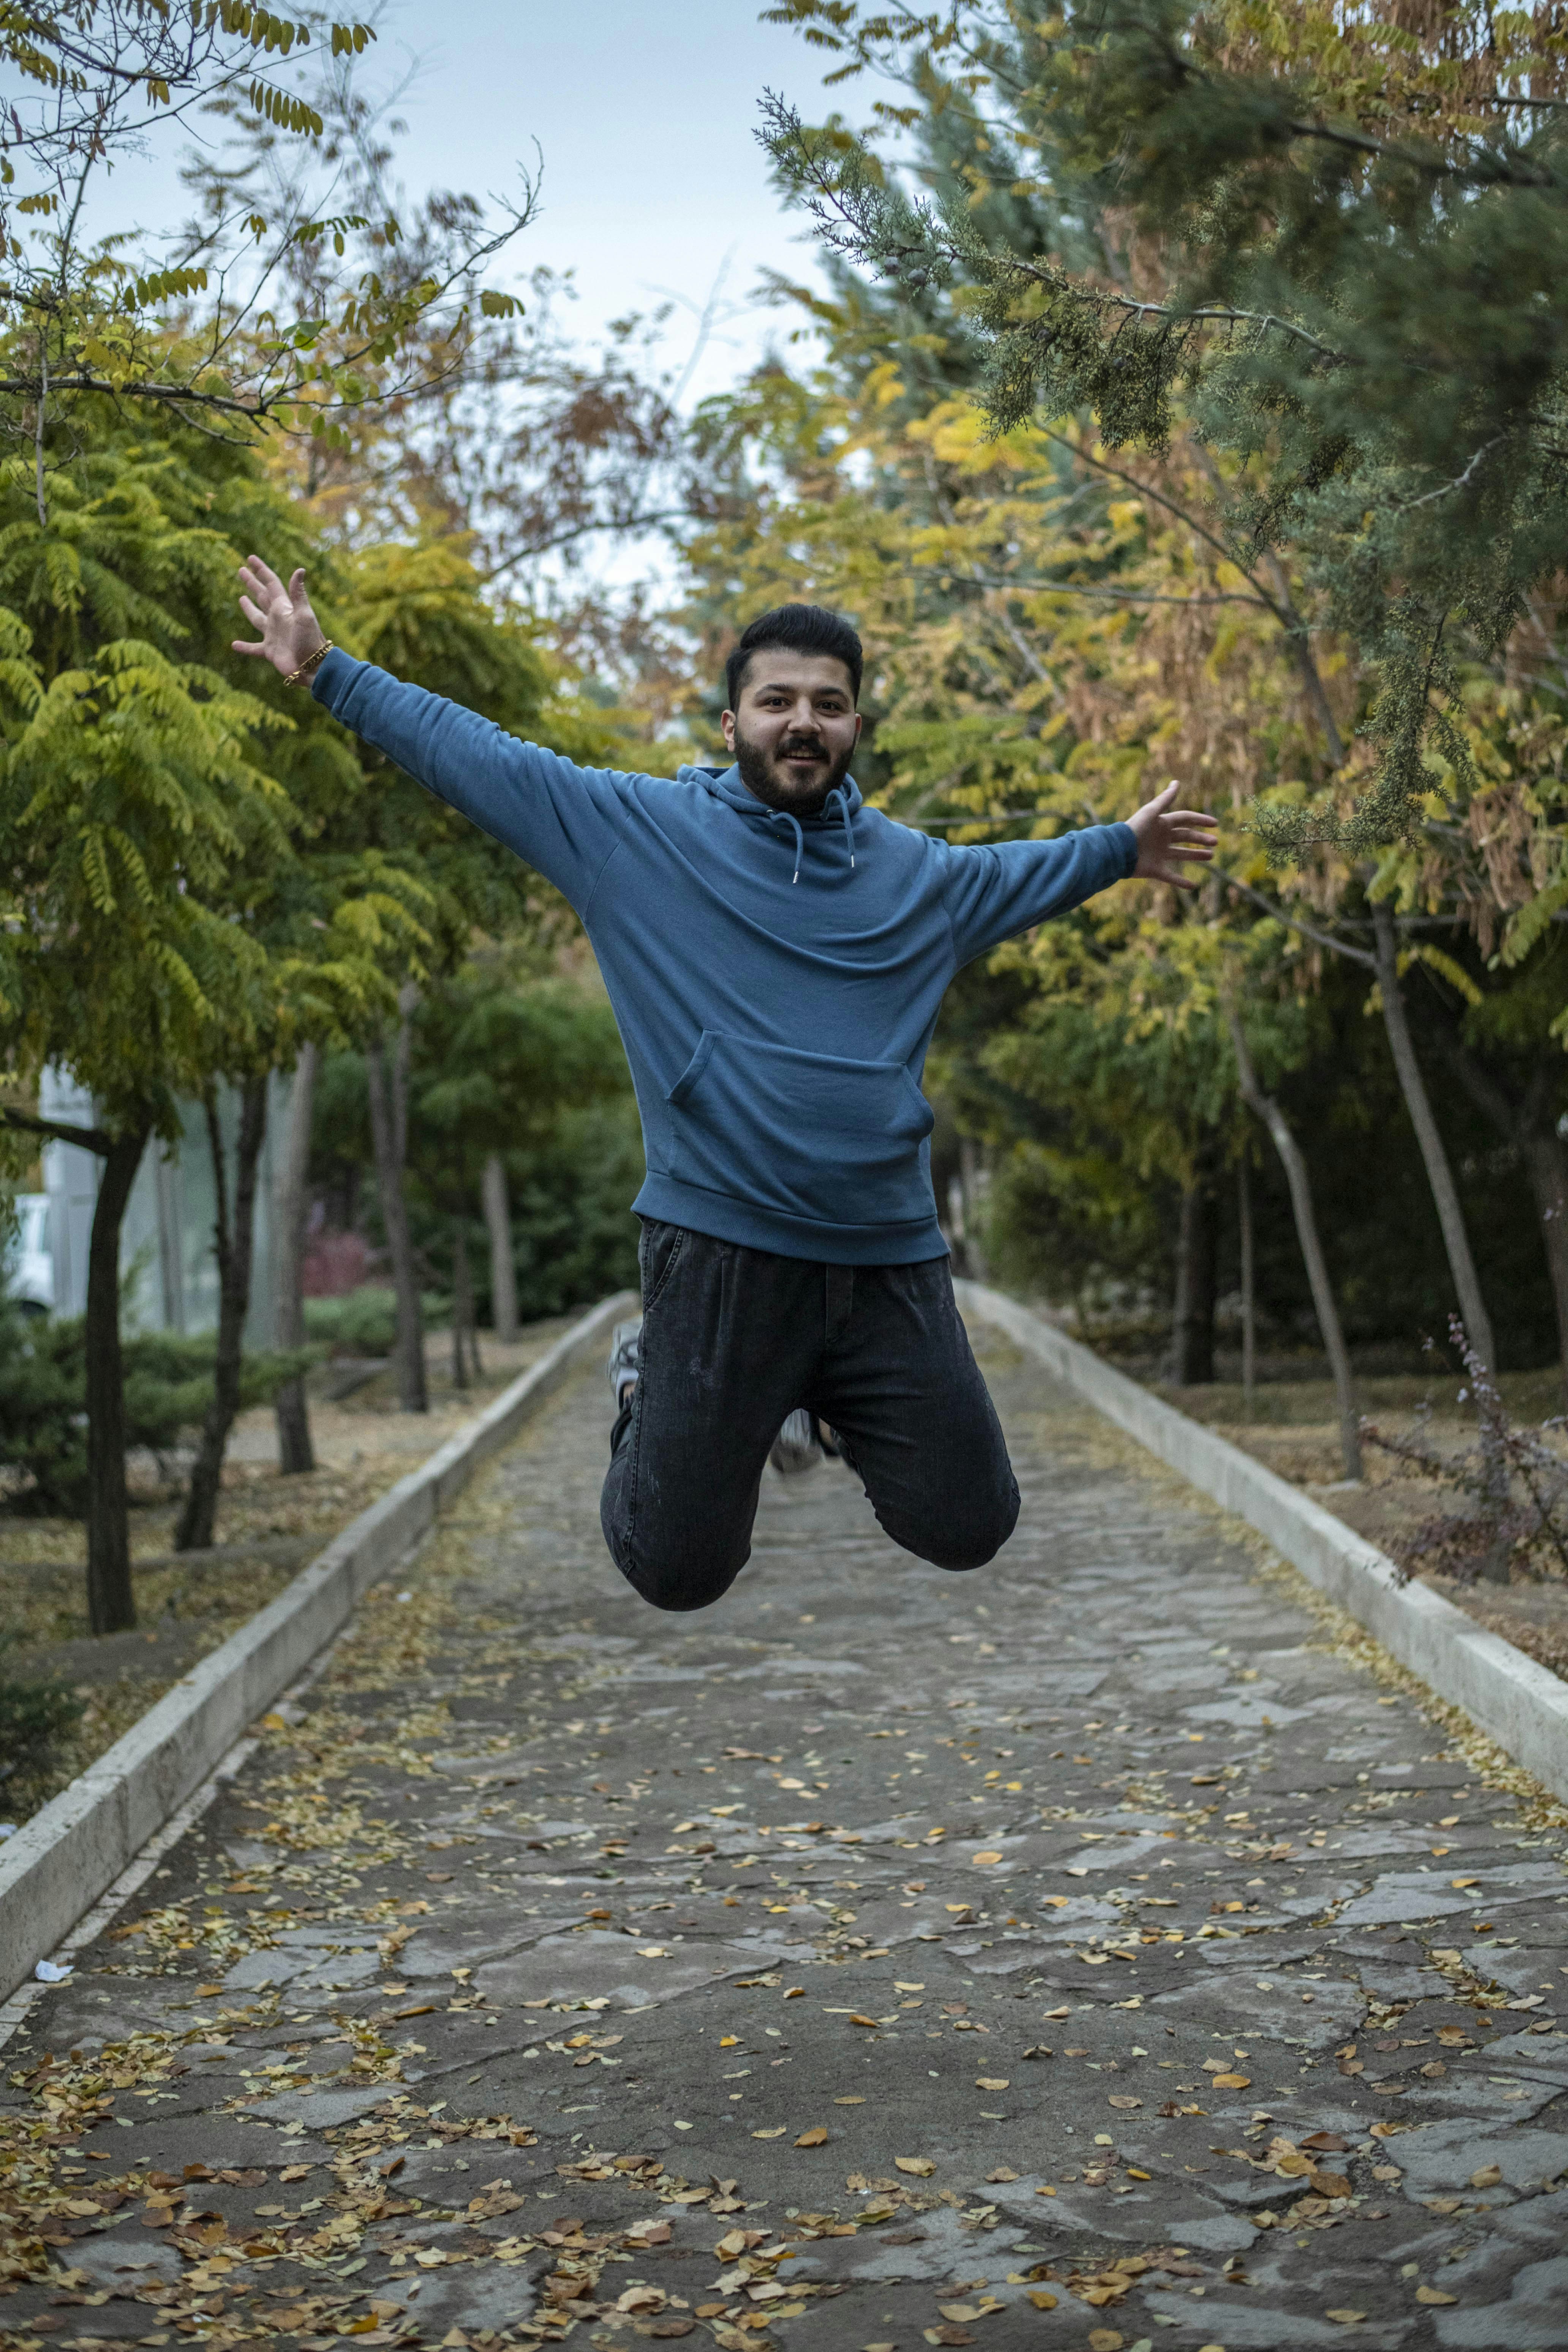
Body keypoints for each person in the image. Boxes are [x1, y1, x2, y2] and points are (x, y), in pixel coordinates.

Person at [234, 563, 1217, 1611]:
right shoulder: (634, 838)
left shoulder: (919, 879)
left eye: (829, 705)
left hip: (886, 1259)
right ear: (731, 719)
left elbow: (1028, 869)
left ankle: (821, 1404)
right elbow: (480, 757)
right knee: (678, 1569)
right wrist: (327, 672)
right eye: (778, 701)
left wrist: (1123, 848)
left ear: (855, 725)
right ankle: (643, 1379)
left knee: (971, 1522)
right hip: (722, 1255)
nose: (804, 723)